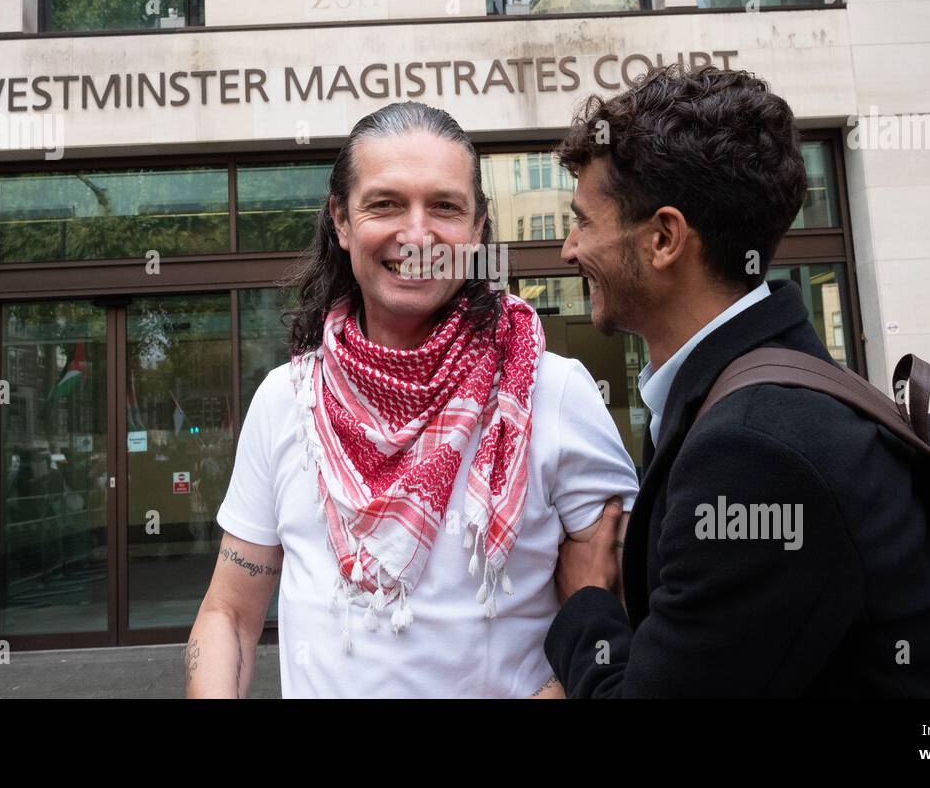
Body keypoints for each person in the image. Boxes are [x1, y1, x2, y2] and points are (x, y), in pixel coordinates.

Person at [187, 101, 638, 698]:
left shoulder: (552, 393)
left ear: (477, 230)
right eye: (385, 203)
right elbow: (229, 614)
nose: (418, 234)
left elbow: (626, 627)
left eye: (445, 207)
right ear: (341, 222)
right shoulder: (287, 398)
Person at [545, 65, 930, 697]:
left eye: (584, 221)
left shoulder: (756, 448)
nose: (567, 249)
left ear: (664, 238)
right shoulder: (757, 395)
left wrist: (584, 605)